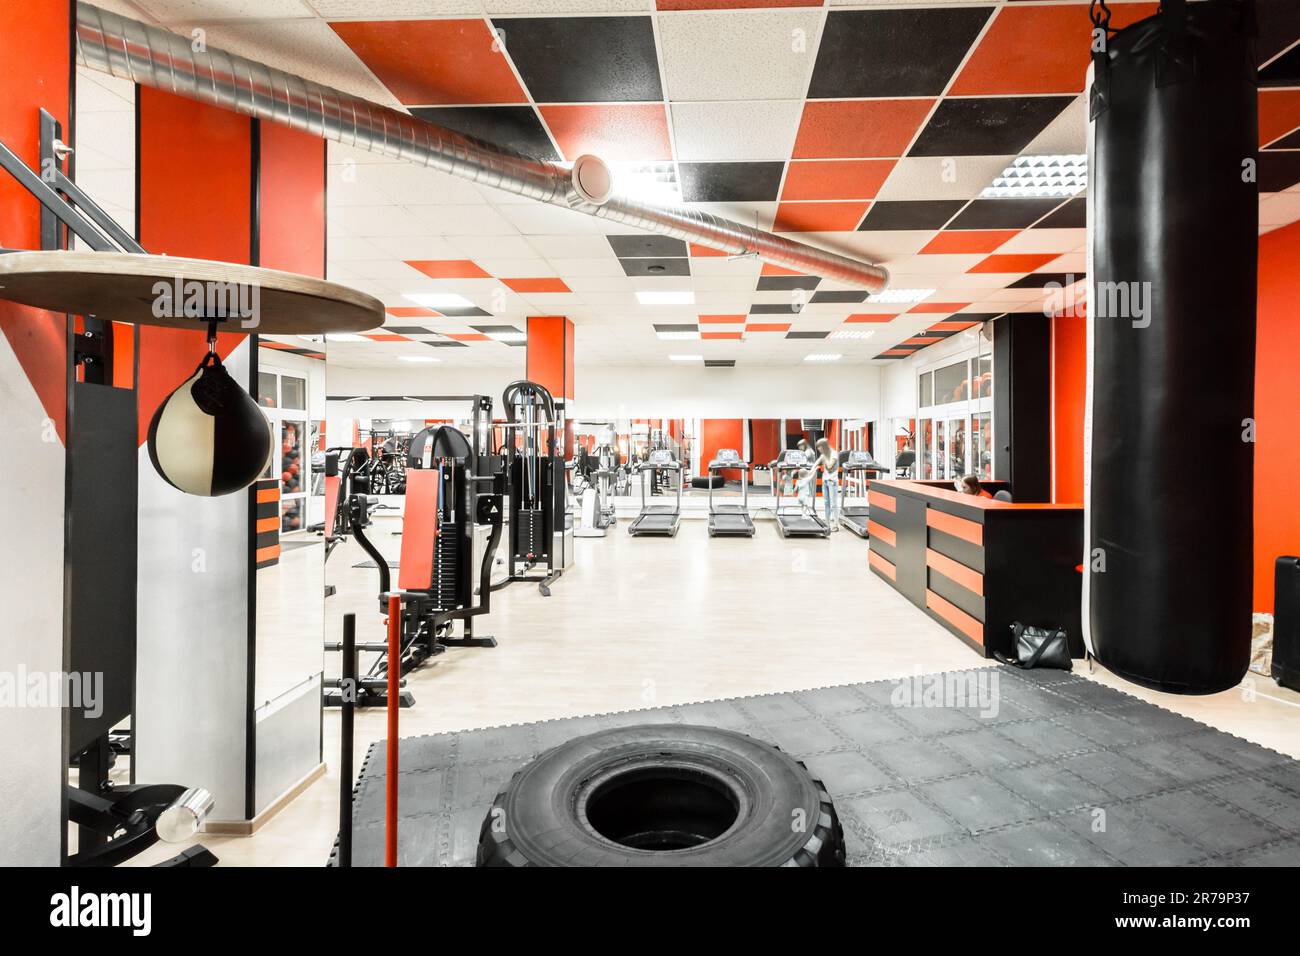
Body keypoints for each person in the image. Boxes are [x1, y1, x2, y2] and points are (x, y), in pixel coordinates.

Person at [815, 437, 841, 528]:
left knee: (833, 503)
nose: (819, 449)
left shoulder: (833, 453)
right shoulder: (823, 455)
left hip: (832, 481)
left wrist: (824, 457)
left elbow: (830, 466)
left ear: (824, 446)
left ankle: (836, 525)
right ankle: (827, 523)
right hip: (825, 481)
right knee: (826, 502)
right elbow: (816, 464)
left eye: (819, 447)